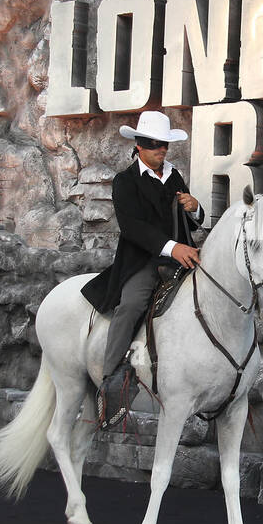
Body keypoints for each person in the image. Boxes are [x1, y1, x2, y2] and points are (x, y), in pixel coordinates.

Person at [81, 110, 203, 428]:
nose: (160, 150)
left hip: (182, 255)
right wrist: (173, 248)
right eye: (152, 145)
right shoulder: (125, 181)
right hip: (145, 260)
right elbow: (133, 227)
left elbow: (190, 219)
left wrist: (196, 207)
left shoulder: (174, 176)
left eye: (163, 145)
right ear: (138, 146)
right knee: (132, 304)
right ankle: (110, 381)